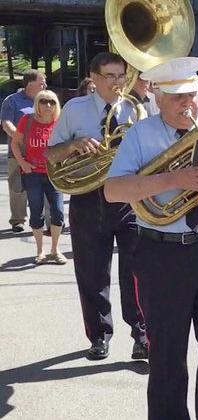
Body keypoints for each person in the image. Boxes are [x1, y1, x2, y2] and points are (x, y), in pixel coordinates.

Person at [105, 56, 198, 420]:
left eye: (193, 95)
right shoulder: (141, 133)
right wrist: (175, 179)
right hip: (162, 254)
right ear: (157, 97)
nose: (188, 105)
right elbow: (113, 190)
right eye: (178, 98)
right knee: (167, 354)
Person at [45, 52, 147, 361]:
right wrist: (74, 145)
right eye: (110, 76)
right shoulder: (75, 110)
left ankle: (142, 334)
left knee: (138, 271)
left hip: (129, 200)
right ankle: (100, 335)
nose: (117, 83)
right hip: (89, 200)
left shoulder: (136, 109)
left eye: (121, 76)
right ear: (94, 78)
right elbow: (52, 154)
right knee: (91, 272)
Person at [10, 89, 66, 264]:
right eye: (43, 101)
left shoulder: (60, 122)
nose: (48, 105)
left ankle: (55, 250)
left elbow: (69, 146)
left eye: (52, 102)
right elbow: (15, 143)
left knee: (57, 212)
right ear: (37, 104)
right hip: (33, 174)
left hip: (54, 175)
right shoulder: (27, 120)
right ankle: (40, 251)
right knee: (36, 212)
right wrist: (23, 163)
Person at [2, 69, 47, 232]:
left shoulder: (46, 100)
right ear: (30, 84)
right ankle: (18, 220)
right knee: (17, 187)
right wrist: (19, 137)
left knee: (46, 187)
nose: (45, 85)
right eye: (41, 82)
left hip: (43, 153)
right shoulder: (12, 101)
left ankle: (51, 222)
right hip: (18, 152)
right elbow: (6, 122)